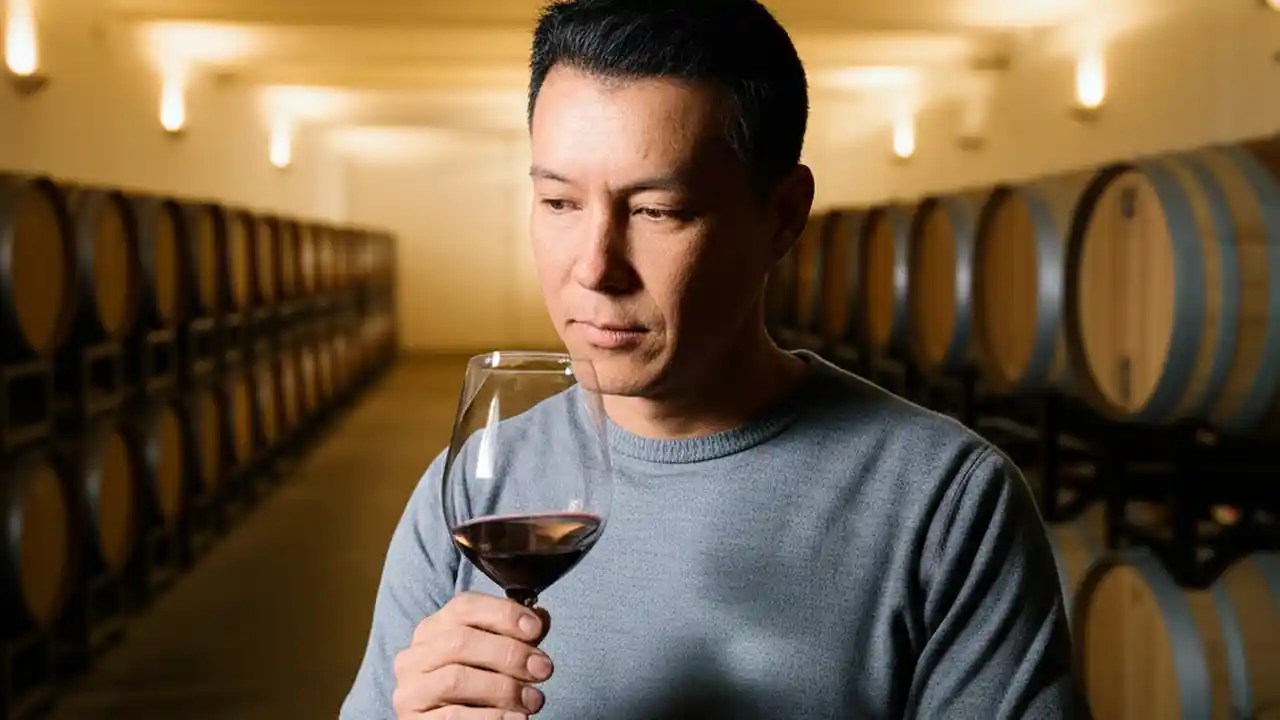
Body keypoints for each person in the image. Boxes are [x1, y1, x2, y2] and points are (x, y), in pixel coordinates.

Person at [341, 0, 1082, 717]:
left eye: (657, 212)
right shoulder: (474, 488)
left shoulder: (945, 502)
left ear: (783, 216)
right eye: (560, 203)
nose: (595, 268)